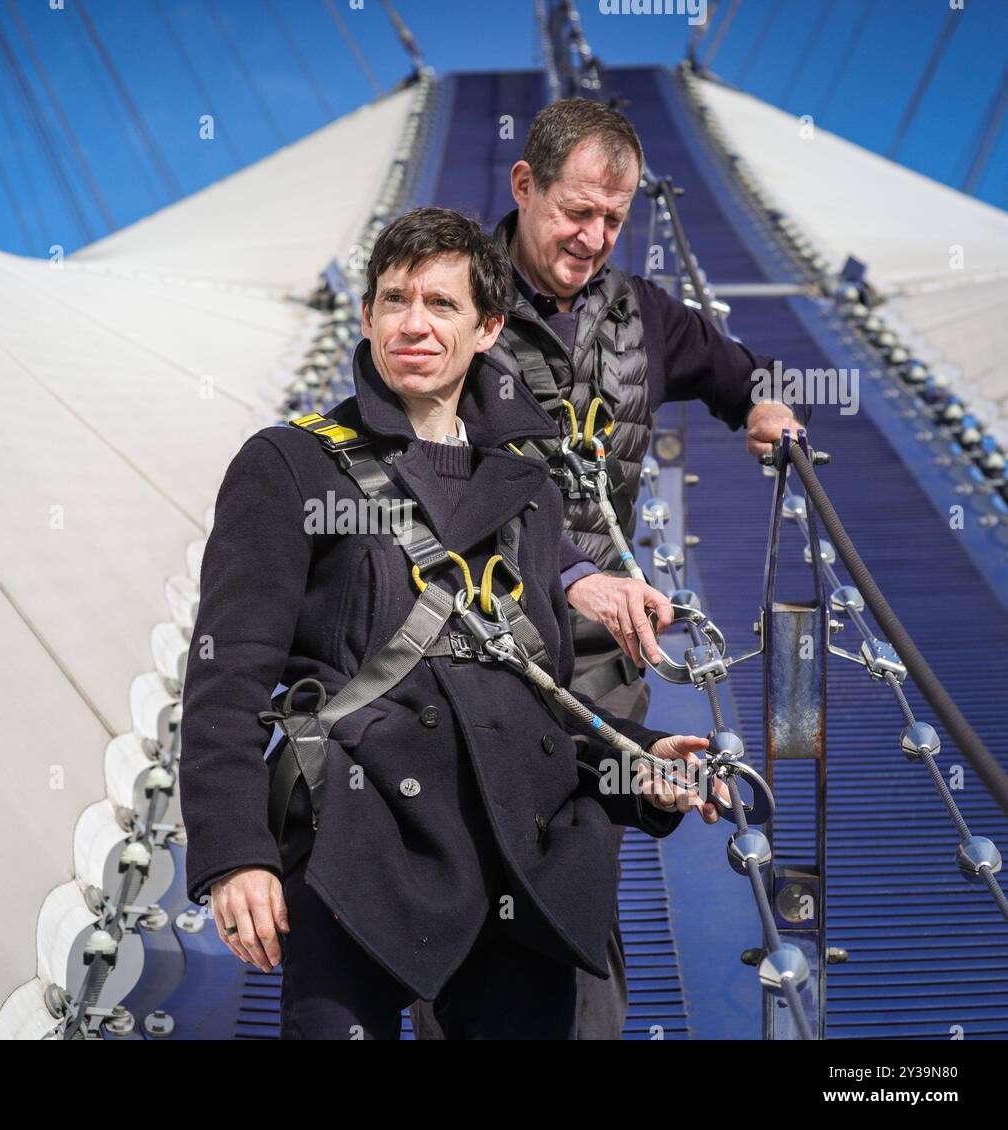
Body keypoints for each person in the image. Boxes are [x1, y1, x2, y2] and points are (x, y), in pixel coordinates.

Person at [179, 206, 724, 1041]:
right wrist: (234, 851)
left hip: (520, 859)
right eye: (395, 300)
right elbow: (226, 678)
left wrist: (636, 757)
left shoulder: (528, 492)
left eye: (442, 305)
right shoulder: (287, 464)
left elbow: (533, 696)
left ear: (487, 329)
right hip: (355, 849)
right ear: (366, 318)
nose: (415, 324)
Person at [414, 97, 807, 1040]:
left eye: (613, 219)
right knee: (468, 857)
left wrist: (765, 406)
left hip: (597, 656)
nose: (593, 237)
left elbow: (735, 368)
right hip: (472, 635)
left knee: (576, 853)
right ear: (523, 185)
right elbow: (420, 478)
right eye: (576, 211)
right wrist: (564, 574)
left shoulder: (645, 316)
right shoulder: (452, 306)